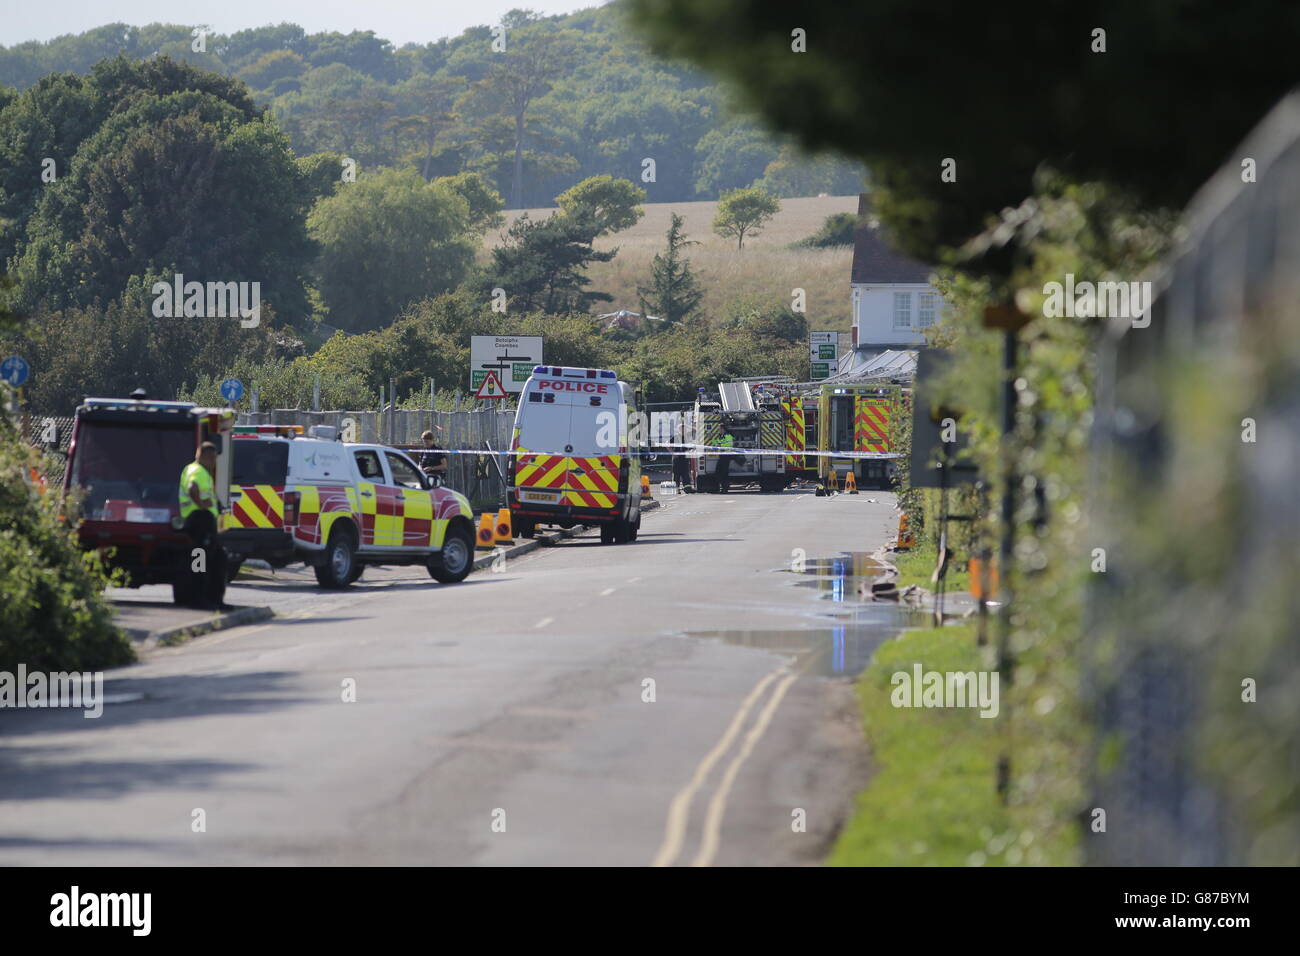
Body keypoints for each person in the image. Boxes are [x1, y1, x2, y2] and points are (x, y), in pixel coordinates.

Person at [178, 441, 227, 609]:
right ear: (206, 456)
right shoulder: (197, 471)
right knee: (200, 562)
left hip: (201, 522)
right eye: (213, 458)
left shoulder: (195, 470)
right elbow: (192, 488)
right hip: (200, 521)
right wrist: (201, 504)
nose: (214, 462)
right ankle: (199, 599)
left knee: (210, 560)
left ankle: (211, 599)